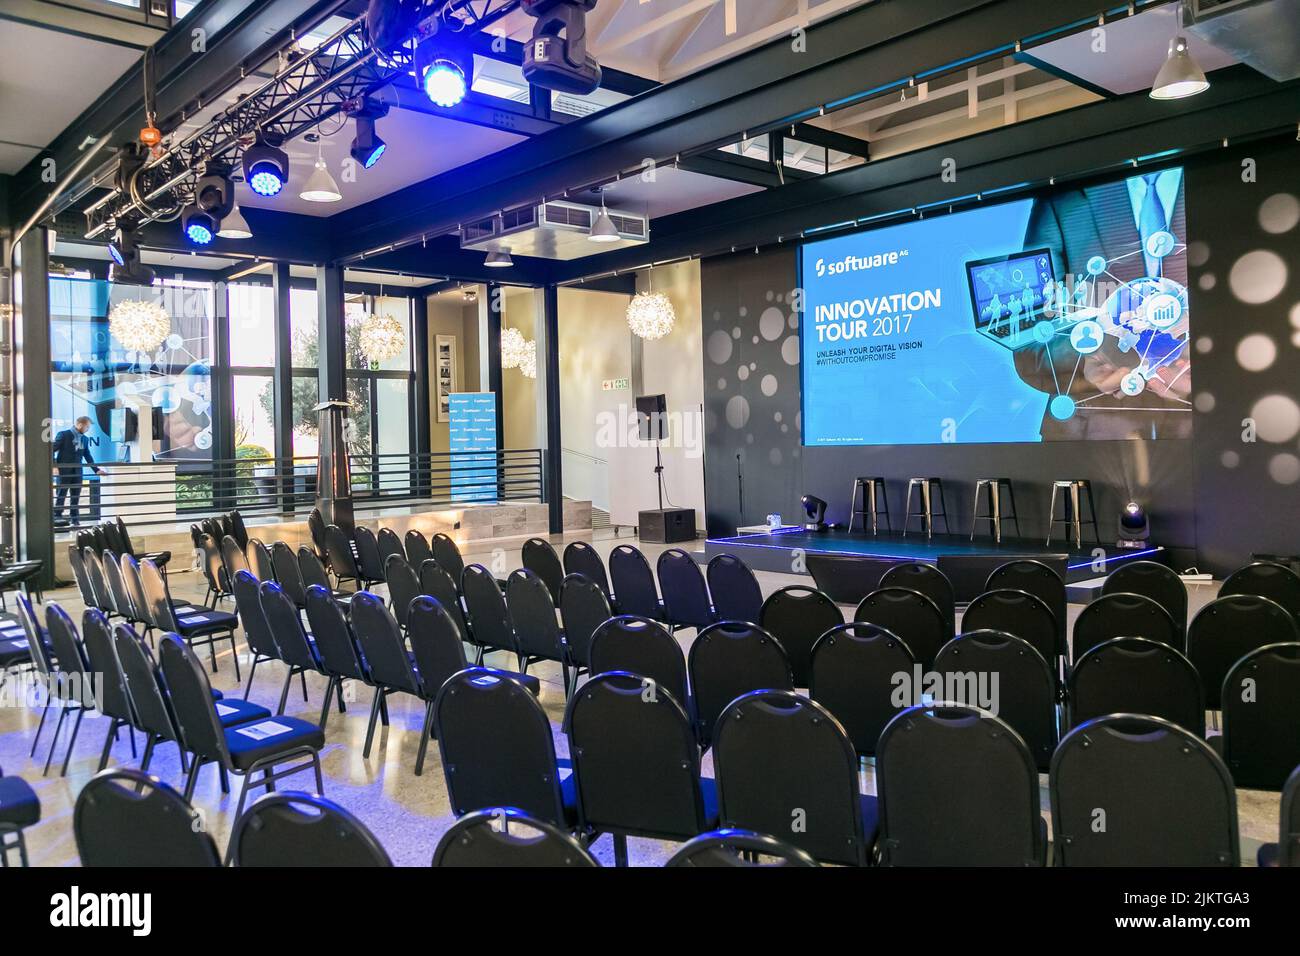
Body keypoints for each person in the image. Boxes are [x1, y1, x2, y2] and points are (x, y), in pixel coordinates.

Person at [53, 416, 102, 526]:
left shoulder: (85, 439)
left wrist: (96, 470)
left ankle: (74, 518)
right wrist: (54, 466)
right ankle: (57, 516)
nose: (88, 429)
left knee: (75, 496)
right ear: (80, 424)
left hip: (78, 471)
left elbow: (87, 455)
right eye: (87, 427)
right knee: (61, 494)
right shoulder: (64, 434)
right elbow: (51, 449)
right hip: (64, 471)